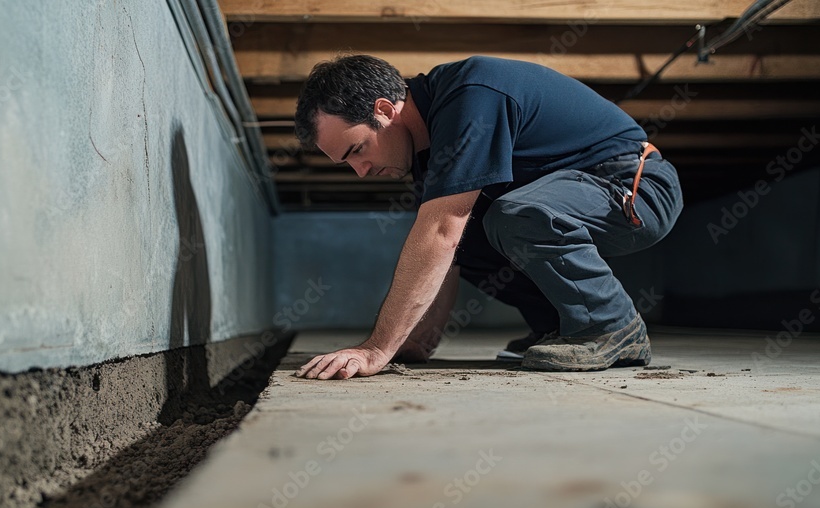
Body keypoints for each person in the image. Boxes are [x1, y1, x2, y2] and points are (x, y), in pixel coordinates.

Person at [293, 55, 683, 380]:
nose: (360, 170)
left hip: (636, 187)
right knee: (473, 235)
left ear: (383, 109)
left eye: (357, 150)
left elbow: (440, 233)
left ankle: (610, 326)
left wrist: (376, 349)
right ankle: (562, 328)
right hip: (586, 194)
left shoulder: (470, 96)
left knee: (514, 216)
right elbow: (447, 257)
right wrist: (409, 342)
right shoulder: (430, 153)